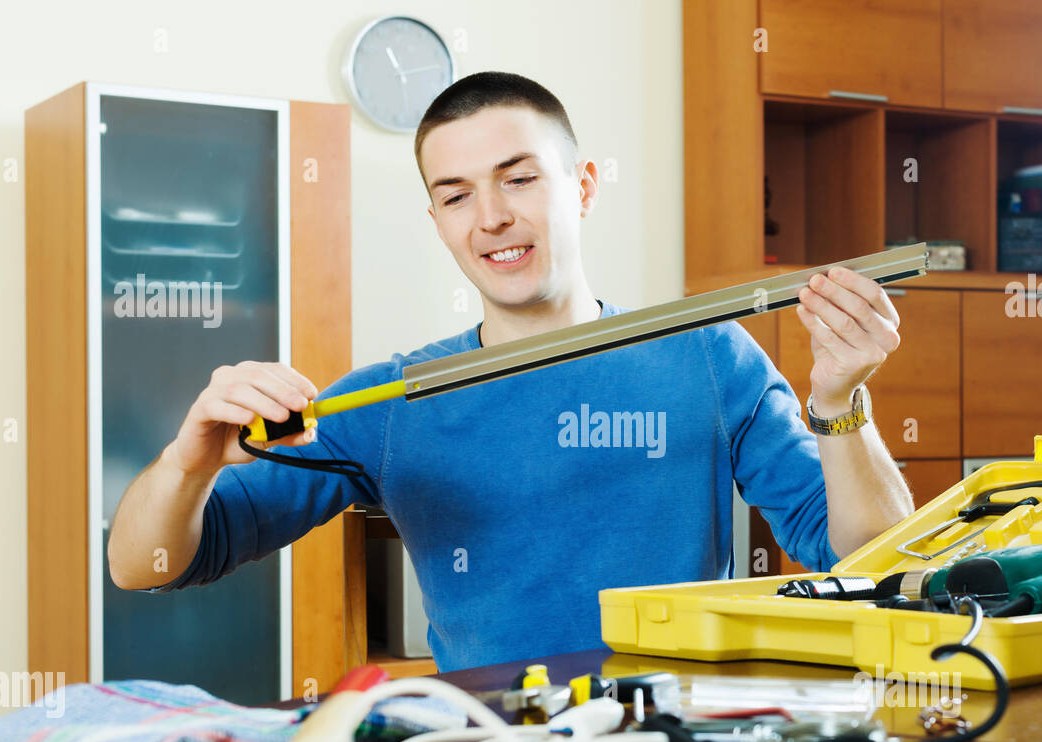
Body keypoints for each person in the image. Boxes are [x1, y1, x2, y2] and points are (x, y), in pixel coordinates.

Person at [107, 71, 914, 672]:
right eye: (456, 196)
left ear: (584, 186)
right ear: (438, 222)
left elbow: (869, 556)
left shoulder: (710, 356)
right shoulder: (386, 405)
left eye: (520, 179)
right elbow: (145, 567)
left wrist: (842, 401)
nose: (491, 216)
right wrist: (189, 463)